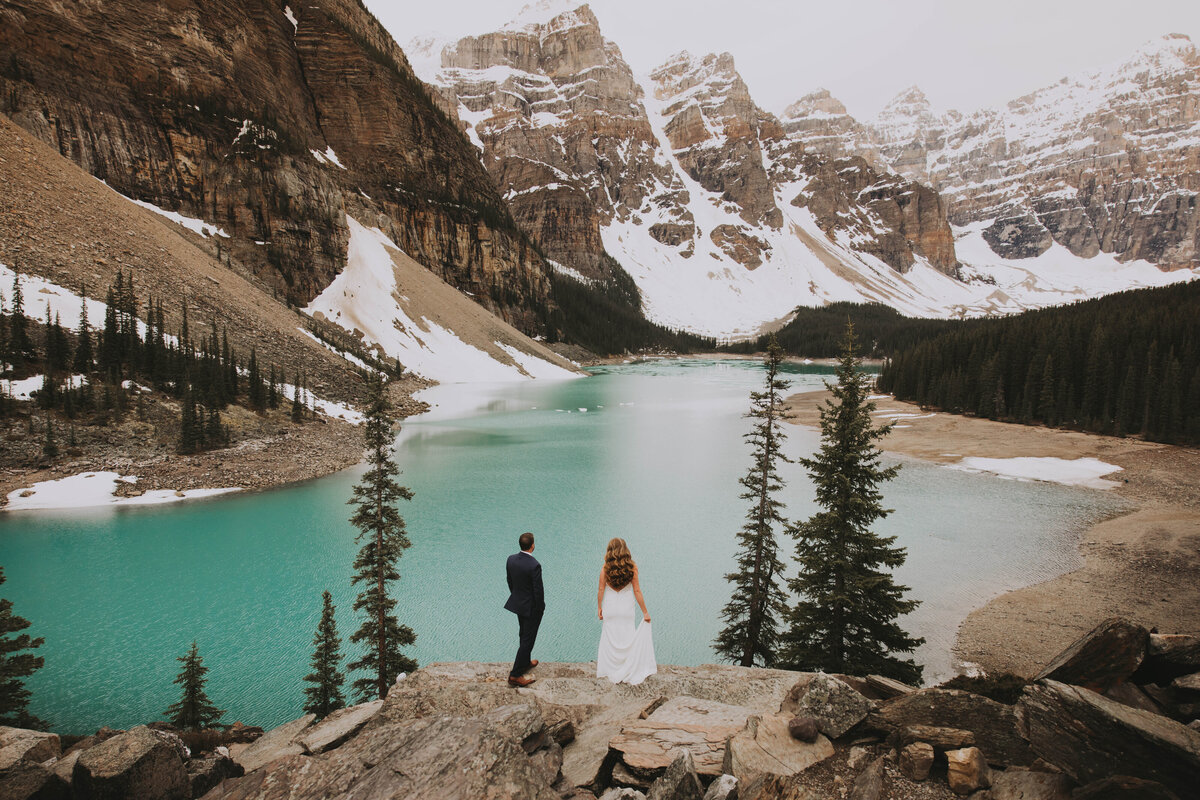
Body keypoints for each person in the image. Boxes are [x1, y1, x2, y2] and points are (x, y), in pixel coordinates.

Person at [596, 538, 656, 685]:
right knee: (628, 636)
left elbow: (601, 589)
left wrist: (599, 607)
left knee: (610, 637)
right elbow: (637, 590)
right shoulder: (632, 567)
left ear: (609, 551)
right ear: (625, 550)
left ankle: (609, 670)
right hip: (626, 607)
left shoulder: (605, 568)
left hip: (610, 606)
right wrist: (645, 612)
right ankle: (627, 668)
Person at [504, 531, 544, 687]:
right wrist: (540, 608)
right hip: (531, 608)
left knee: (523, 633)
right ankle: (515, 675)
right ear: (532, 545)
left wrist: (517, 597)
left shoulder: (511, 559)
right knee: (528, 639)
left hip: (518, 604)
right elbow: (538, 590)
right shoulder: (534, 565)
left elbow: (510, 581)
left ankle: (525, 662)